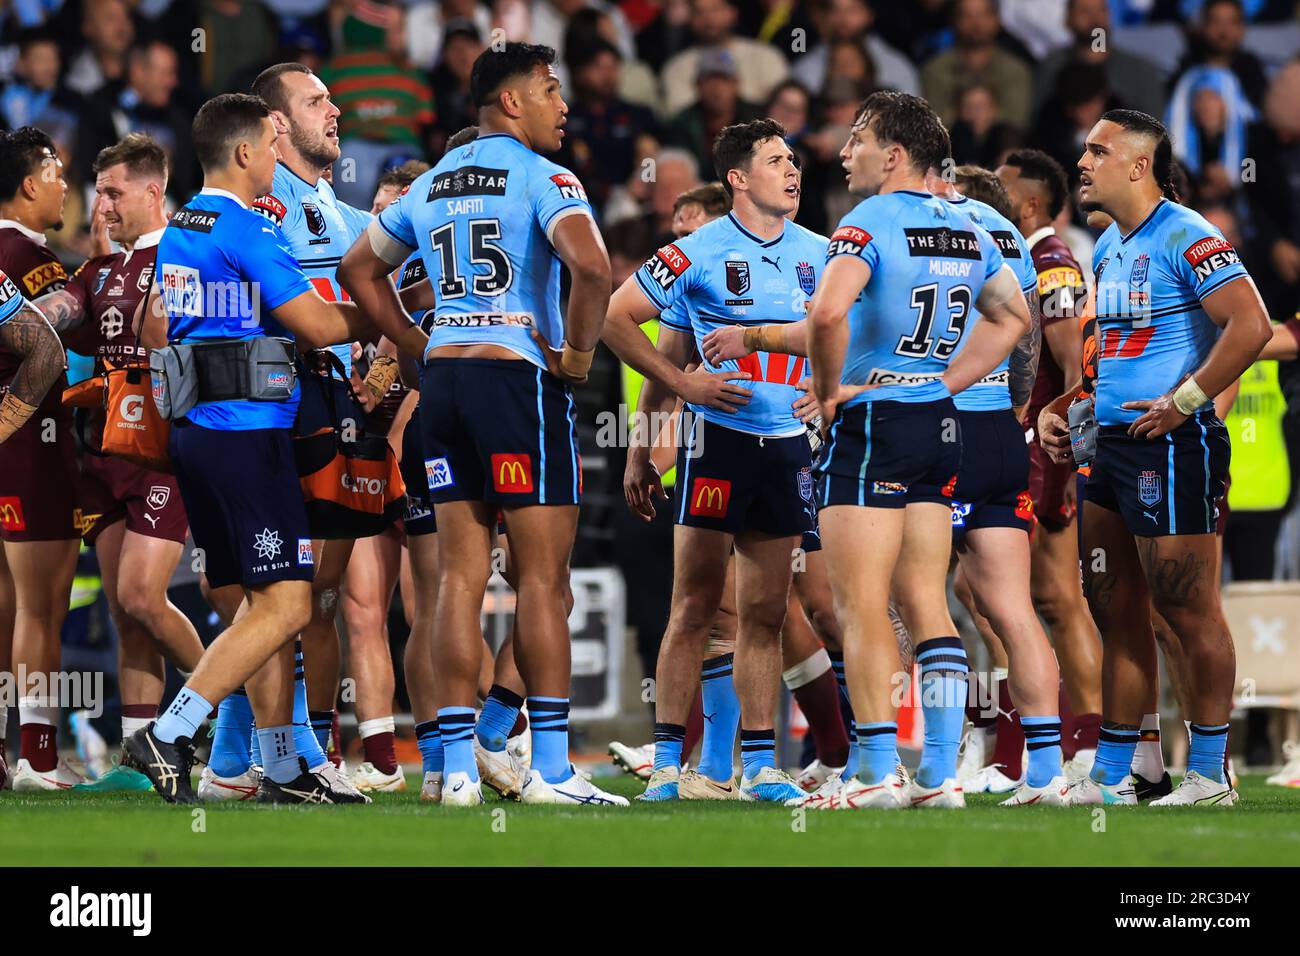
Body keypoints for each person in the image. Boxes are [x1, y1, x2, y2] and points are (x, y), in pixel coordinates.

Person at [338, 42, 625, 807]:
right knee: (542, 581)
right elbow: (594, 268)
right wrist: (574, 356)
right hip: (514, 380)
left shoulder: (431, 182)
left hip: (446, 383)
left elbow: (358, 272)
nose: (563, 106)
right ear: (511, 102)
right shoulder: (543, 175)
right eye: (550, 90)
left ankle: (457, 770)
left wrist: (412, 341)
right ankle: (554, 771)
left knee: (457, 582)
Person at [124, 92, 424, 804]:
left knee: (256, 606)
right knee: (290, 605)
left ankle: (280, 762)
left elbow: (164, 327)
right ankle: (170, 732)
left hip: (198, 432)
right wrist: (390, 320)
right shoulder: (247, 231)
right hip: (246, 435)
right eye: (270, 142)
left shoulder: (182, 227)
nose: (278, 154)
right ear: (244, 153)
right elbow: (319, 326)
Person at [807, 91, 1029, 809]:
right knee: (926, 602)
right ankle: (938, 775)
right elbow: (1013, 317)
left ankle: (875, 772)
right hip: (939, 423)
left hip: (876, 424)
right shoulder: (968, 225)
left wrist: (831, 389)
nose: (846, 152)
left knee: (860, 603)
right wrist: (945, 380)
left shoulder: (867, 220)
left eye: (859, 139)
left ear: (894, 156)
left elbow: (828, 310)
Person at [605, 118, 828, 804]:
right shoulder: (695, 251)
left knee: (765, 614)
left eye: (793, 159)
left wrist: (830, 386)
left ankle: (758, 767)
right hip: (716, 443)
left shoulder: (822, 253)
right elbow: (615, 317)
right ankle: (669, 767)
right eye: (774, 161)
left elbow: (856, 328)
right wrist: (679, 394)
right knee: (694, 608)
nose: (792, 171)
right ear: (738, 177)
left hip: (787, 446)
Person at [1053, 109, 1271, 806]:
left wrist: (1185, 402)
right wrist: (1071, 412)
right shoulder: (1112, 243)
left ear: (1138, 165)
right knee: (1115, 609)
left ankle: (1209, 775)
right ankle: (1117, 775)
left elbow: (1252, 325)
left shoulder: (1189, 233)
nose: (1082, 163)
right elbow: (1112, 356)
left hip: (1174, 444)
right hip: (1111, 448)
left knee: (1188, 609)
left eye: (1097, 151)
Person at [34, 134, 206, 792]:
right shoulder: (102, 269)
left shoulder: (184, 256)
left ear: (154, 192)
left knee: (142, 594)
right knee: (122, 610)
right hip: (101, 454)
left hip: (160, 454)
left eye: (114, 191)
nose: (100, 204)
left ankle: (219, 710)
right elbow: (60, 316)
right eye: (96, 191)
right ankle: (142, 751)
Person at [996, 148, 1103, 782]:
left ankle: (1078, 745)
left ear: (1030, 203)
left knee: (1055, 600)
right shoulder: (1029, 259)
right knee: (1043, 598)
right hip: (1033, 449)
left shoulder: (1052, 263)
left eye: (1002, 190)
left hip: (1044, 452)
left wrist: (1060, 470)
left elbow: (1071, 365)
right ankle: (1064, 744)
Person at [0, 126, 82, 791]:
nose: (64, 187)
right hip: (29, 446)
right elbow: (49, 346)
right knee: (41, 604)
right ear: (28, 183)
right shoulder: (27, 257)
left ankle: (6, 758)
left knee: (5, 603)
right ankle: (41, 757)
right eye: (56, 174)